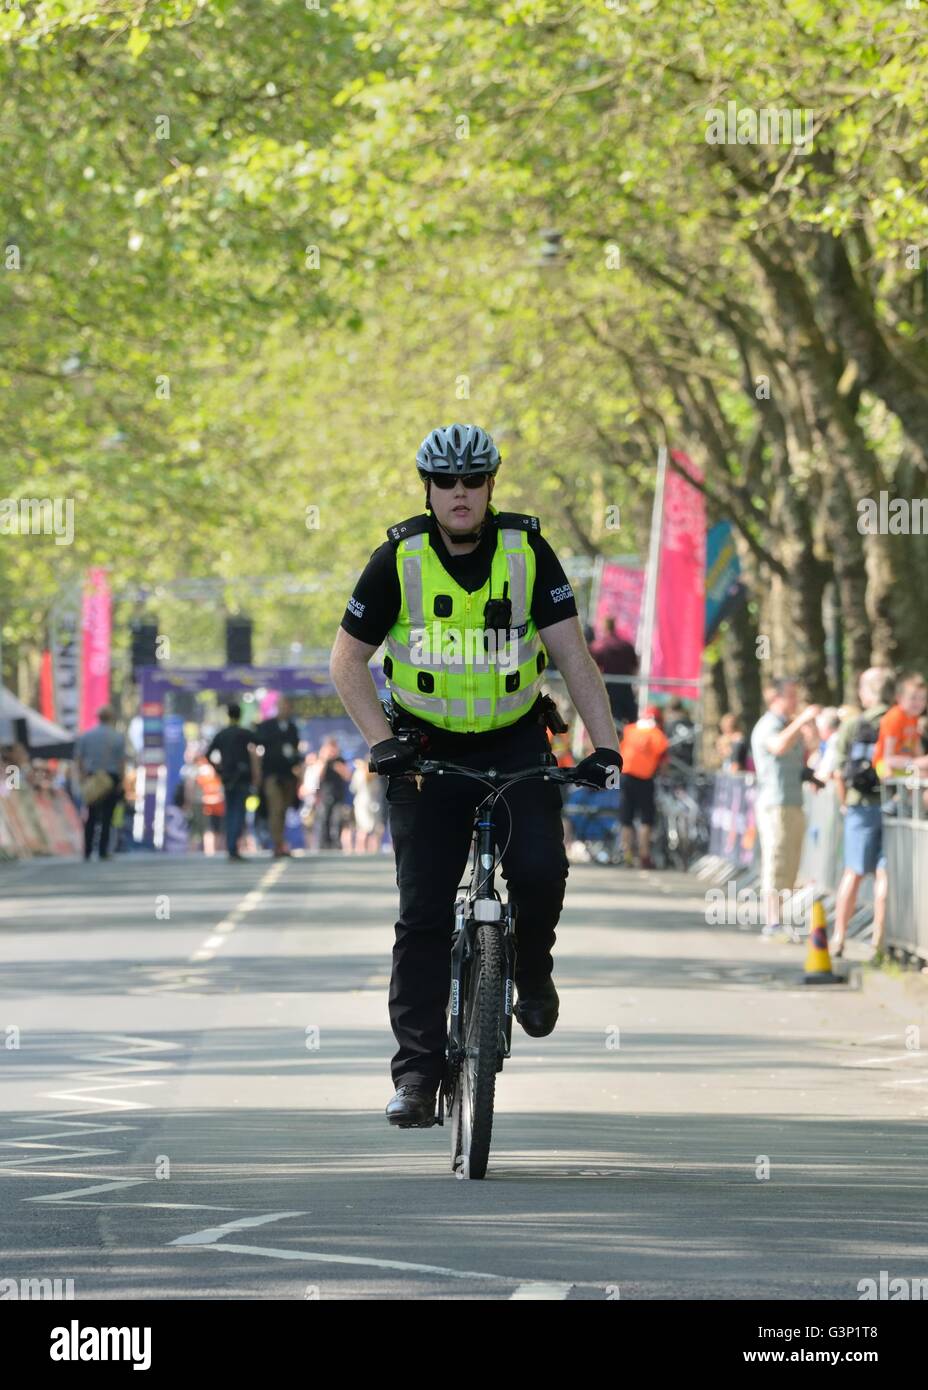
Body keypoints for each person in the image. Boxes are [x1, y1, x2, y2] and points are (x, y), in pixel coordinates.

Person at [329, 422, 621, 1128]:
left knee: (544, 871)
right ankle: (417, 1076)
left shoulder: (528, 552)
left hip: (516, 741)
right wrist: (380, 743)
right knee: (423, 915)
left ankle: (532, 967)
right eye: (446, 482)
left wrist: (605, 747)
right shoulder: (396, 558)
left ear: (491, 485)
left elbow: (574, 659)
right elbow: (347, 662)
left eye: (473, 481)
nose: (459, 494)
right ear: (427, 488)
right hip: (426, 756)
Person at [830, 668, 895, 964]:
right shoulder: (900, 723)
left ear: (866, 692)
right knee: (885, 874)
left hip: (860, 806)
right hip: (896, 807)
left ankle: (839, 937)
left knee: (853, 874)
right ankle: (878, 943)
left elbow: (838, 771)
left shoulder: (852, 725)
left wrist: (845, 804)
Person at [750, 678, 820, 938]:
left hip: (793, 802)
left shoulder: (788, 726)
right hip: (774, 803)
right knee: (776, 860)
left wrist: (808, 727)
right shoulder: (769, 725)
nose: (795, 702)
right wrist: (802, 721)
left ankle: (780, 919)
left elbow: (809, 749)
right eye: (790, 696)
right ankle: (772, 921)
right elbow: (778, 746)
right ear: (775, 697)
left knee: (790, 863)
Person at [618, 705, 669, 868]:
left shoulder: (630, 730)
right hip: (645, 779)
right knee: (646, 818)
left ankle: (627, 854)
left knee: (626, 817)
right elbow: (663, 762)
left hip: (626, 776)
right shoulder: (658, 735)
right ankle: (644, 855)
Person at [206, 703, 259, 860]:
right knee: (239, 812)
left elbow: (208, 754)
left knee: (230, 812)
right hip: (242, 778)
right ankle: (233, 847)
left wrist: (219, 770)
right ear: (240, 715)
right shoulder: (244, 733)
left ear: (228, 715)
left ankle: (231, 846)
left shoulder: (222, 734)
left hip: (228, 779)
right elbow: (260, 741)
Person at [74, 705, 126, 861]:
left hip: (92, 777)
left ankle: (88, 851)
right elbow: (121, 762)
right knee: (107, 816)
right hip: (110, 778)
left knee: (90, 815)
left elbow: (79, 758)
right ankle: (103, 851)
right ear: (112, 718)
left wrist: (83, 778)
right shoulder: (117, 737)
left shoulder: (86, 736)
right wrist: (120, 782)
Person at [255, 696, 304, 857]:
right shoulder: (266, 726)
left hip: (288, 775)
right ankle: (277, 844)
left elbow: (296, 751)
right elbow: (258, 747)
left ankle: (281, 841)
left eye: (287, 706)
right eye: (282, 705)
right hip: (272, 774)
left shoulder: (292, 727)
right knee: (275, 808)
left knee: (283, 809)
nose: (285, 709)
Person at [589, 616, 639, 728]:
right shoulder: (626, 645)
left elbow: (591, 667)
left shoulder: (599, 647)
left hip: (609, 690)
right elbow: (635, 666)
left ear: (604, 628)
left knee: (611, 724)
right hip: (626, 688)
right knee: (631, 723)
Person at [316, 737, 352, 850]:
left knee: (337, 820)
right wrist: (324, 759)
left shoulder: (340, 760)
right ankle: (323, 845)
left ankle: (336, 845)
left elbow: (348, 776)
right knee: (324, 820)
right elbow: (318, 777)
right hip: (325, 795)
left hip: (338, 795)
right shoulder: (323, 761)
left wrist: (338, 767)